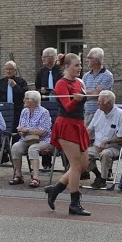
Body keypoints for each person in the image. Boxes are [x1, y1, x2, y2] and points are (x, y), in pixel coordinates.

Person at [45, 53, 92, 216]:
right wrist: (77, 99)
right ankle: (74, 203)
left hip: (79, 124)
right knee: (76, 165)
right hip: (66, 125)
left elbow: (81, 106)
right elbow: (68, 107)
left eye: (80, 65)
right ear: (66, 67)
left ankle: (55, 189)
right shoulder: (60, 84)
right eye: (76, 65)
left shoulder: (79, 82)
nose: (79, 68)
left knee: (84, 165)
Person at [85, 90, 122, 189]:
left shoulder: (121, 115)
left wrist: (107, 141)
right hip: (97, 146)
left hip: (115, 147)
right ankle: (98, 175)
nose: (97, 103)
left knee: (105, 154)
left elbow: (121, 137)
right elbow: (89, 129)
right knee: (82, 154)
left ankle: (103, 179)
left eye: (100, 101)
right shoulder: (98, 112)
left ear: (108, 103)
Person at [8, 90, 52, 187]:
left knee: (33, 149)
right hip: (26, 139)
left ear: (33, 101)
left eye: (26, 99)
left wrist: (27, 130)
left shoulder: (44, 112)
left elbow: (43, 131)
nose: (24, 100)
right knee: (15, 147)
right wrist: (21, 131)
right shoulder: (24, 111)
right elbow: (20, 127)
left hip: (43, 140)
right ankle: (18, 175)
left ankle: (36, 178)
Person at [0, 60, 28, 143]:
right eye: (7, 69)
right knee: (5, 132)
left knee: (16, 132)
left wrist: (15, 86)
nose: (8, 71)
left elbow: (24, 95)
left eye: (11, 69)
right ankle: (5, 152)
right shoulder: (1, 82)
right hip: (4, 110)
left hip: (17, 110)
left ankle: (15, 151)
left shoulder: (21, 81)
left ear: (15, 70)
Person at [81, 47, 113, 124]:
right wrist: (93, 92)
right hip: (87, 113)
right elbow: (81, 92)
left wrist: (86, 94)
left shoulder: (107, 75)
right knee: (88, 135)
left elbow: (99, 94)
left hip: (102, 113)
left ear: (96, 60)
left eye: (89, 58)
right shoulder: (86, 76)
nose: (86, 60)